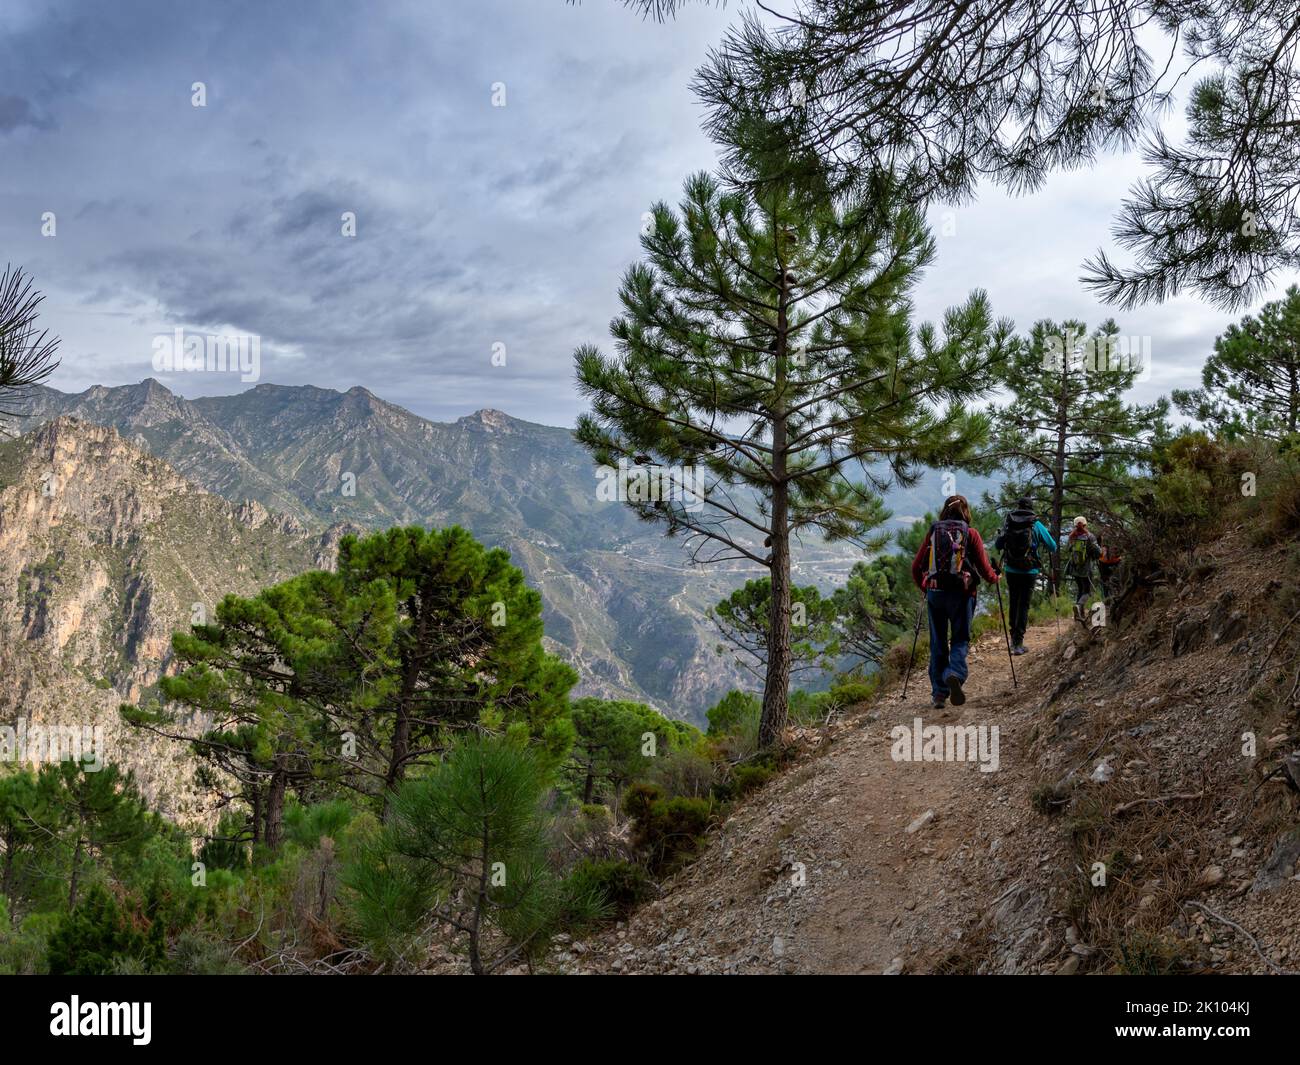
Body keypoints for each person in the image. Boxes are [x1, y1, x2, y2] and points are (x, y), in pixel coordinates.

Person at [910, 494, 1001, 710]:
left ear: (944, 511)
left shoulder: (934, 531)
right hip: (962, 595)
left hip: (936, 593)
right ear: (965, 511)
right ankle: (955, 673)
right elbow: (985, 568)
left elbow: (916, 567)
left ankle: (939, 695)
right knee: (960, 639)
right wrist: (996, 578)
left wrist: (926, 587)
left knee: (938, 642)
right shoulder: (971, 534)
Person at [994, 496, 1058, 655]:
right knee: (1023, 605)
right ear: (1031, 508)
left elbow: (998, 544)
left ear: (1018, 506)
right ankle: (1018, 643)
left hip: (1011, 570)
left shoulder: (1009, 522)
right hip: (1029, 571)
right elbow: (1053, 546)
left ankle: (1012, 640)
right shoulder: (1035, 524)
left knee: (1014, 602)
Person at [1064, 515, 1101, 622]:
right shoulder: (1089, 536)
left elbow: (1068, 549)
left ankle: (1079, 615)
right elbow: (1098, 552)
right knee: (1087, 591)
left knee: (1080, 589)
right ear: (1085, 524)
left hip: (1074, 567)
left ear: (1075, 525)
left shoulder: (1072, 536)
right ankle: (1079, 606)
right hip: (1086, 568)